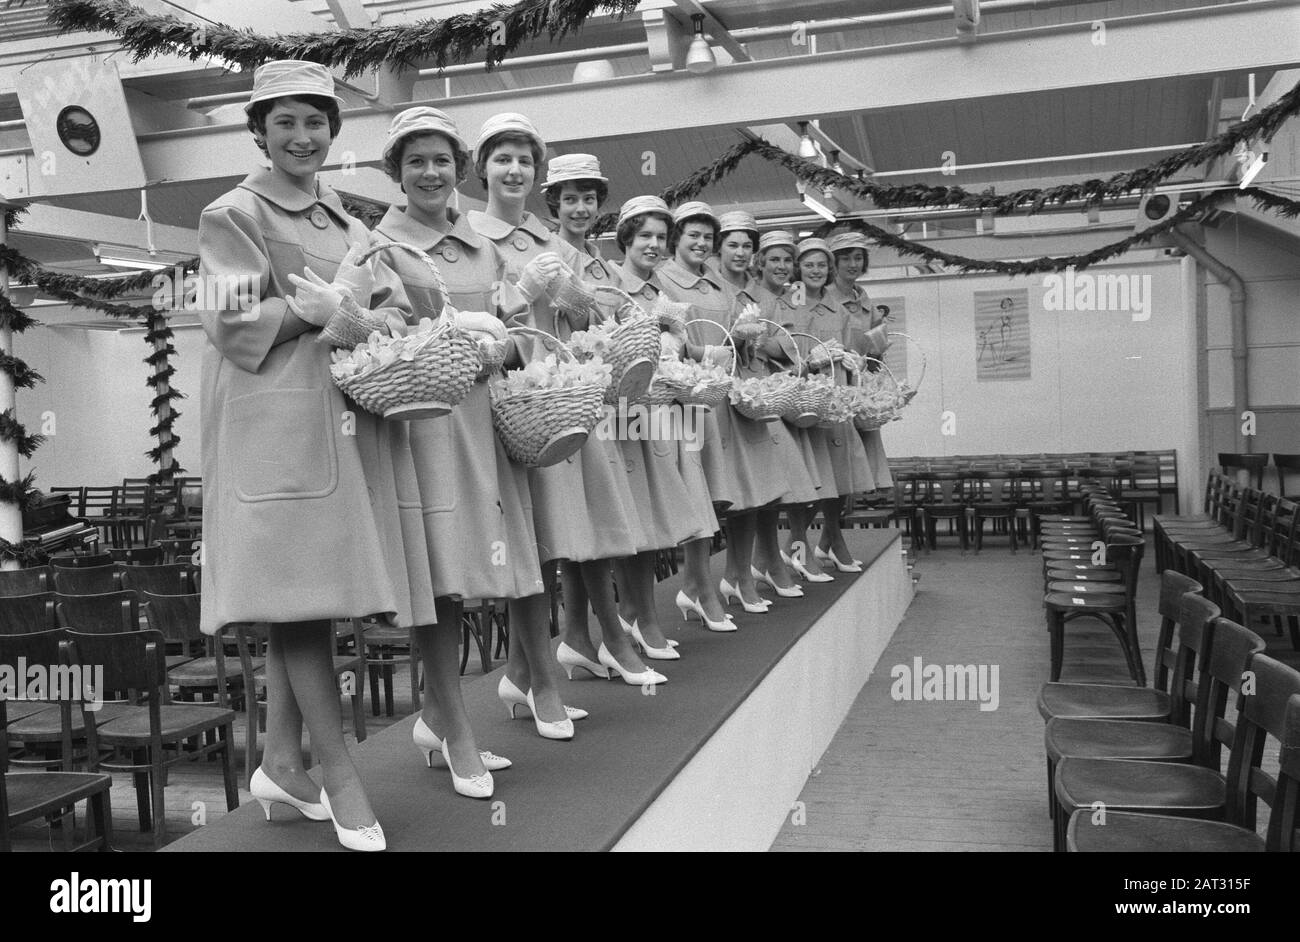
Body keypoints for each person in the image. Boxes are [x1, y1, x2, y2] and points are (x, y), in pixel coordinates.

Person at [198, 60, 422, 851]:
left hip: (342, 424)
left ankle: (279, 764)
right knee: (299, 599)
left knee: (314, 597)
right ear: (257, 130)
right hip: (273, 434)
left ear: (333, 129)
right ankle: (339, 773)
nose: (302, 136)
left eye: (315, 120)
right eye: (285, 121)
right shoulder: (231, 212)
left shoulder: (352, 226)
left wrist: (361, 312)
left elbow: (392, 315)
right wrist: (313, 308)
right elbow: (227, 322)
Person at [371, 106, 537, 797]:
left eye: (442, 160)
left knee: (465, 576)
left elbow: (520, 326)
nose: (432, 172)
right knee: (437, 583)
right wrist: (444, 342)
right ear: (397, 174)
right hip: (423, 426)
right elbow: (379, 335)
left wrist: (505, 343)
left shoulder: (484, 246)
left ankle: (438, 720)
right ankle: (456, 728)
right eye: (417, 162)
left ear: (458, 169)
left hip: (481, 426)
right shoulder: (381, 244)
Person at [467, 114, 650, 711]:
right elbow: (471, 318)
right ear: (484, 169)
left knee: (562, 535)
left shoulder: (556, 245)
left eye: (524, 159)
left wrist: (573, 298)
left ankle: (529, 672)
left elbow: (589, 322)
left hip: (561, 399)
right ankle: (537, 673)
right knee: (528, 545)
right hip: (508, 403)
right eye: (503, 159)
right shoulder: (469, 235)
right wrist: (517, 294)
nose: (514, 169)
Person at [540, 155, 666, 684]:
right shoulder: (544, 253)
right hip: (558, 398)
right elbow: (537, 320)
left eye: (589, 198)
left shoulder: (602, 265)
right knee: (578, 522)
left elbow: (613, 321)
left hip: (599, 401)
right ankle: (607, 637)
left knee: (589, 521)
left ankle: (577, 637)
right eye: (570, 198)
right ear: (554, 203)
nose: (581, 207)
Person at [609, 195, 719, 656]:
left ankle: (637, 615)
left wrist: (700, 357)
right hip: (626, 416)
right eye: (644, 236)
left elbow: (676, 350)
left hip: (665, 413)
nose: (653, 245)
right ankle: (638, 617)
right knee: (635, 521)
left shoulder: (663, 296)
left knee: (658, 520)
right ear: (626, 240)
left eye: (660, 237)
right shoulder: (610, 287)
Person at [777, 238, 876, 576]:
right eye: (809, 265)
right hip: (803, 402)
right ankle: (797, 546)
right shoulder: (791, 301)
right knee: (807, 484)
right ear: (798, 268)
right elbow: (784, 352)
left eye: (821, 265)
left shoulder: (838, 305)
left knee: (838, 478)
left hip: (837, 402)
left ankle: (833, 541)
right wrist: (810, 361)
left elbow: (851, 348)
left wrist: (854, 359)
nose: (816, 271)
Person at [828, 231, 893, 507]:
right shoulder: (827, 298)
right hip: (836, 393)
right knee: (839, 473)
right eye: (846, 258)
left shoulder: (866, 302)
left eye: (858, 258)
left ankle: (831, 542)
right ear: (835, 263)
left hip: (862, 396)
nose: (852, 264)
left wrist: (877, 349)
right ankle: (823, 540)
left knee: (859, 477)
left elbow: (878, 352)